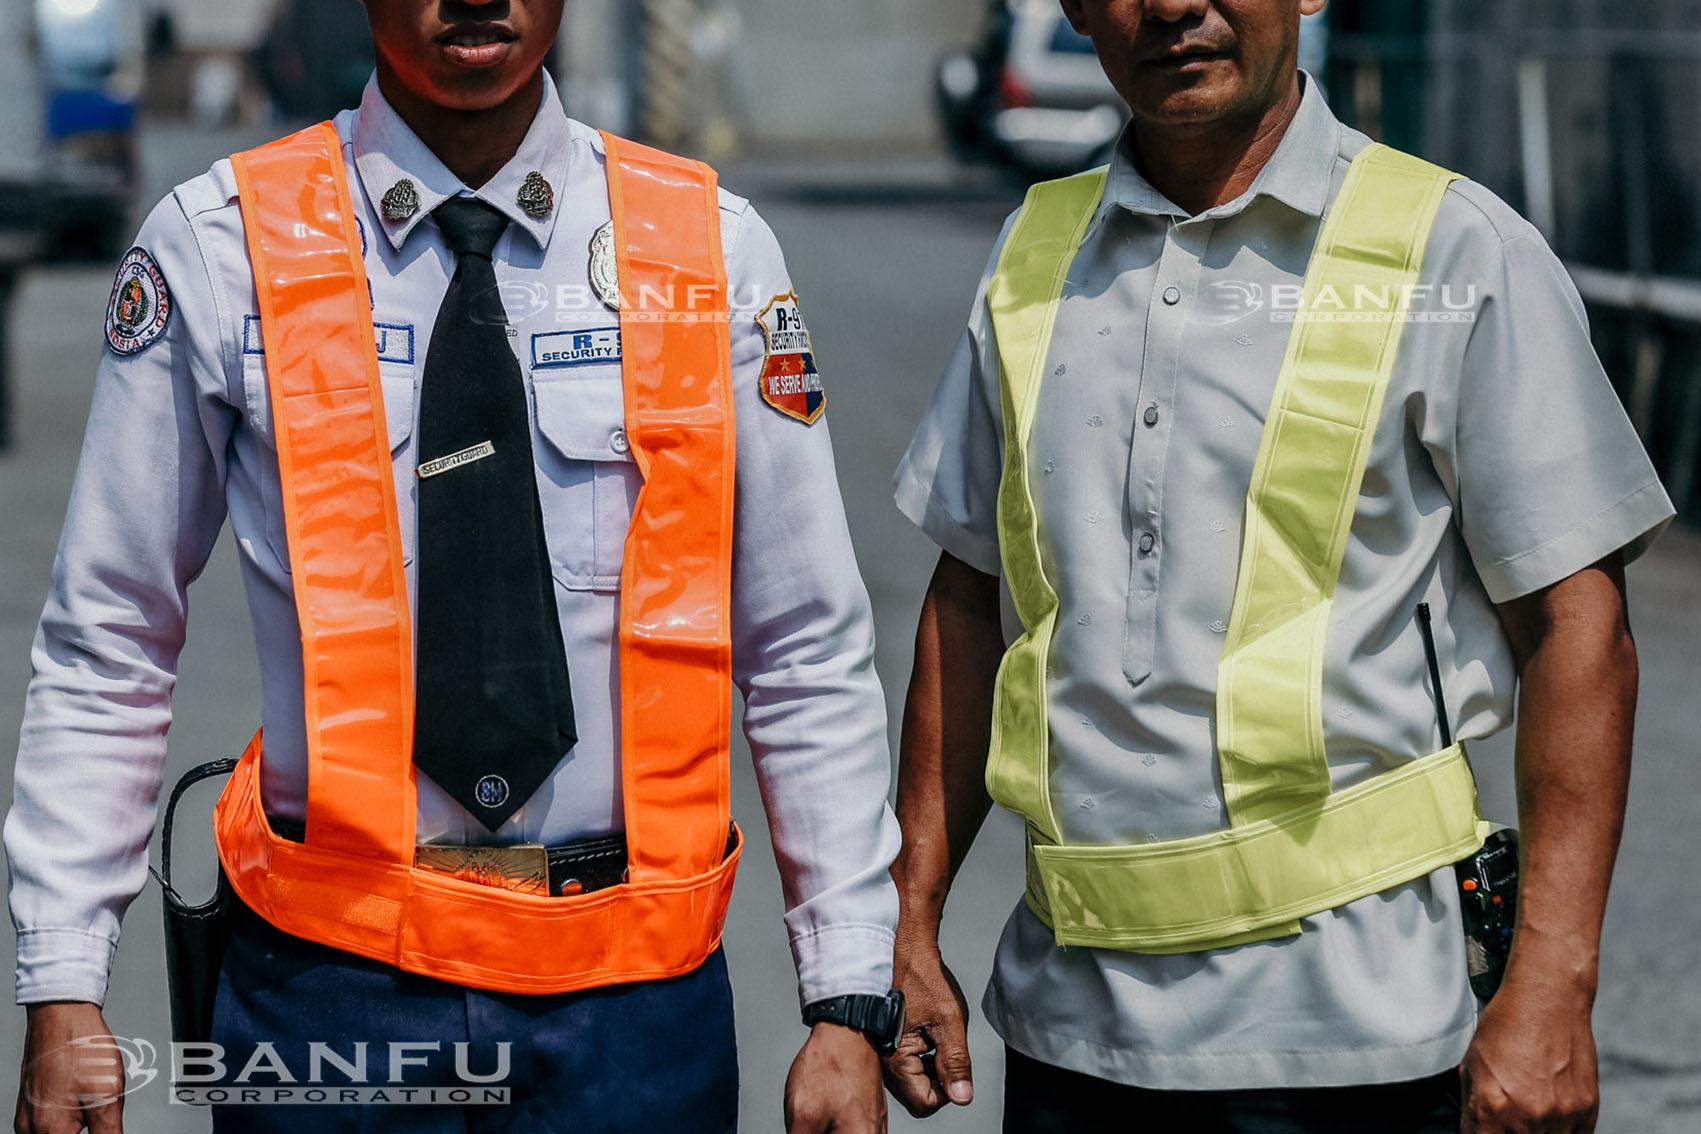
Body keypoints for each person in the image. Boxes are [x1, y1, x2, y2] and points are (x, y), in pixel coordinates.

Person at [7, 2, 901, 1132]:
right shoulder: (222, 245)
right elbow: (112, 637)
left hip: (633, 1007)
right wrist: (63, 982)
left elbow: (803, 643)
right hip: (326, 994)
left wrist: (846, 989)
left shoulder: (706, 249)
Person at [884, 1, 1673, 1132]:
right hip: (1069, 1032)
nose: (1171, 5)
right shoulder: (1033, 254)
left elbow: (1575, 627)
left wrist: (1553, 982)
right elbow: (967, 601)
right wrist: (907, 924)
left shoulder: (1452, 250)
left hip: (1364, 1035)